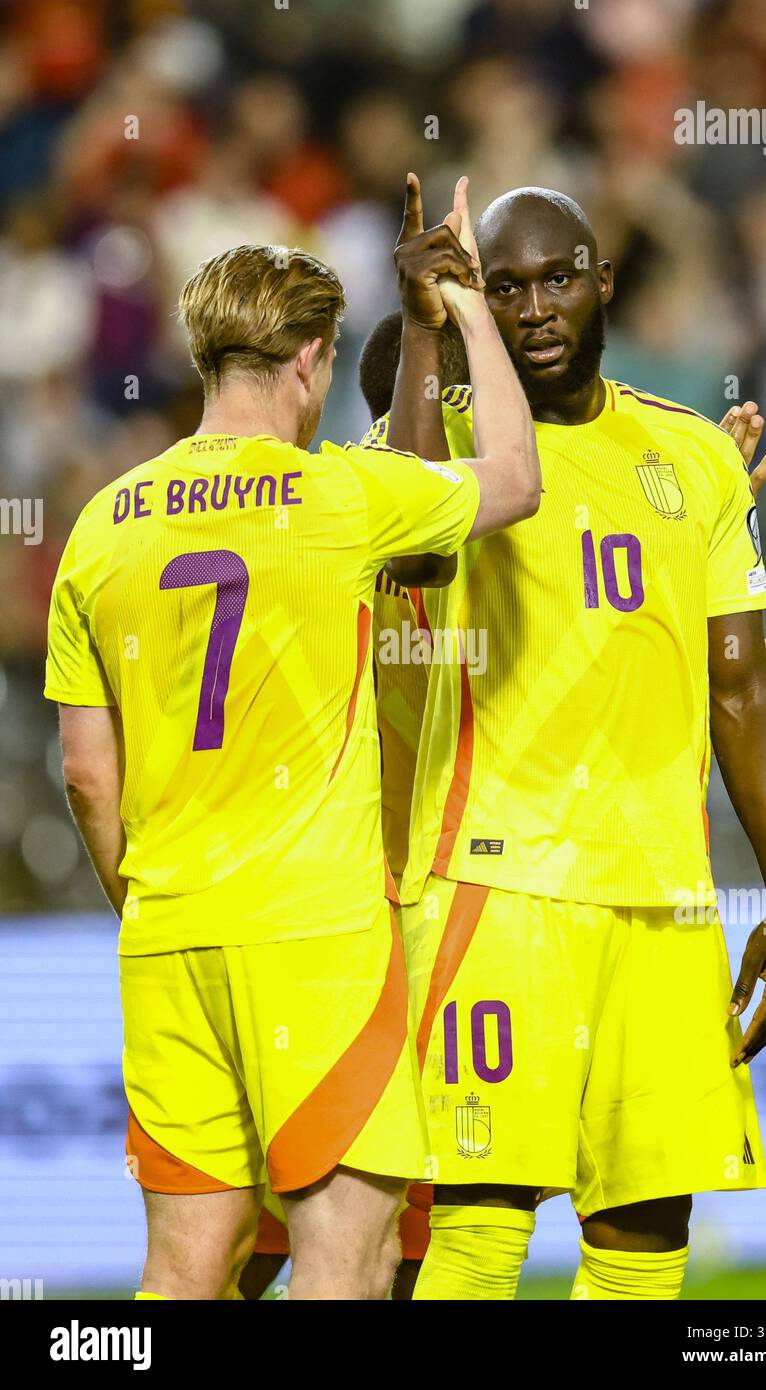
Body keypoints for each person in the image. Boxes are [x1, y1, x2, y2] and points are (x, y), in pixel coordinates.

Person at [44, 223, 541, 1300]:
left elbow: (86, 772)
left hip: (168, 935)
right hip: (316, 938)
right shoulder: (340, 498)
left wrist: (141, 892)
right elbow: (515, 478)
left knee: (186, 1263)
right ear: (313, 359)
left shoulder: (100, 527)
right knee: (346, 1253)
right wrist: (463, 311)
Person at [371, 178, 766, 1301]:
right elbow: (416, 553)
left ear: (603, 281)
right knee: (477, 1224)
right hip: (495, 888)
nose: (535, 308)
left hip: (665, 900)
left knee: (644, 1237)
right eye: (503, 288)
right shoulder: (451, 435)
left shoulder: (696, 457)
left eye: (558, 278)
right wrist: (427, 333)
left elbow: (743, 685)